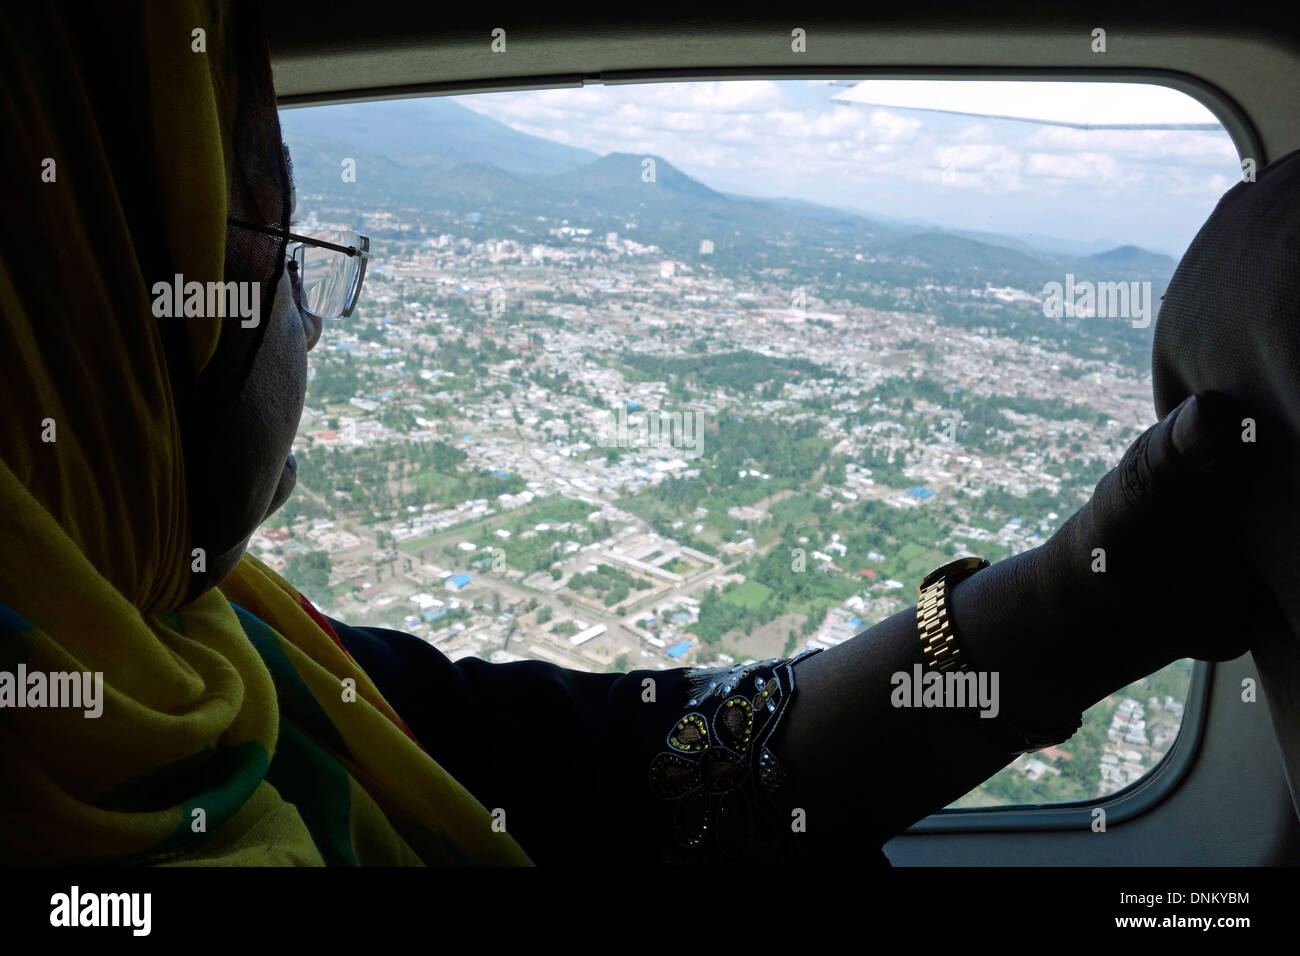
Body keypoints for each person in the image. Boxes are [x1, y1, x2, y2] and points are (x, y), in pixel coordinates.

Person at [0, 0, 1290, 866]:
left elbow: (654, 769)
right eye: (277, 255)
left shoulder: (236, 661)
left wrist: (1081, 600)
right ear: (104, 351)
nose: (311, 325)